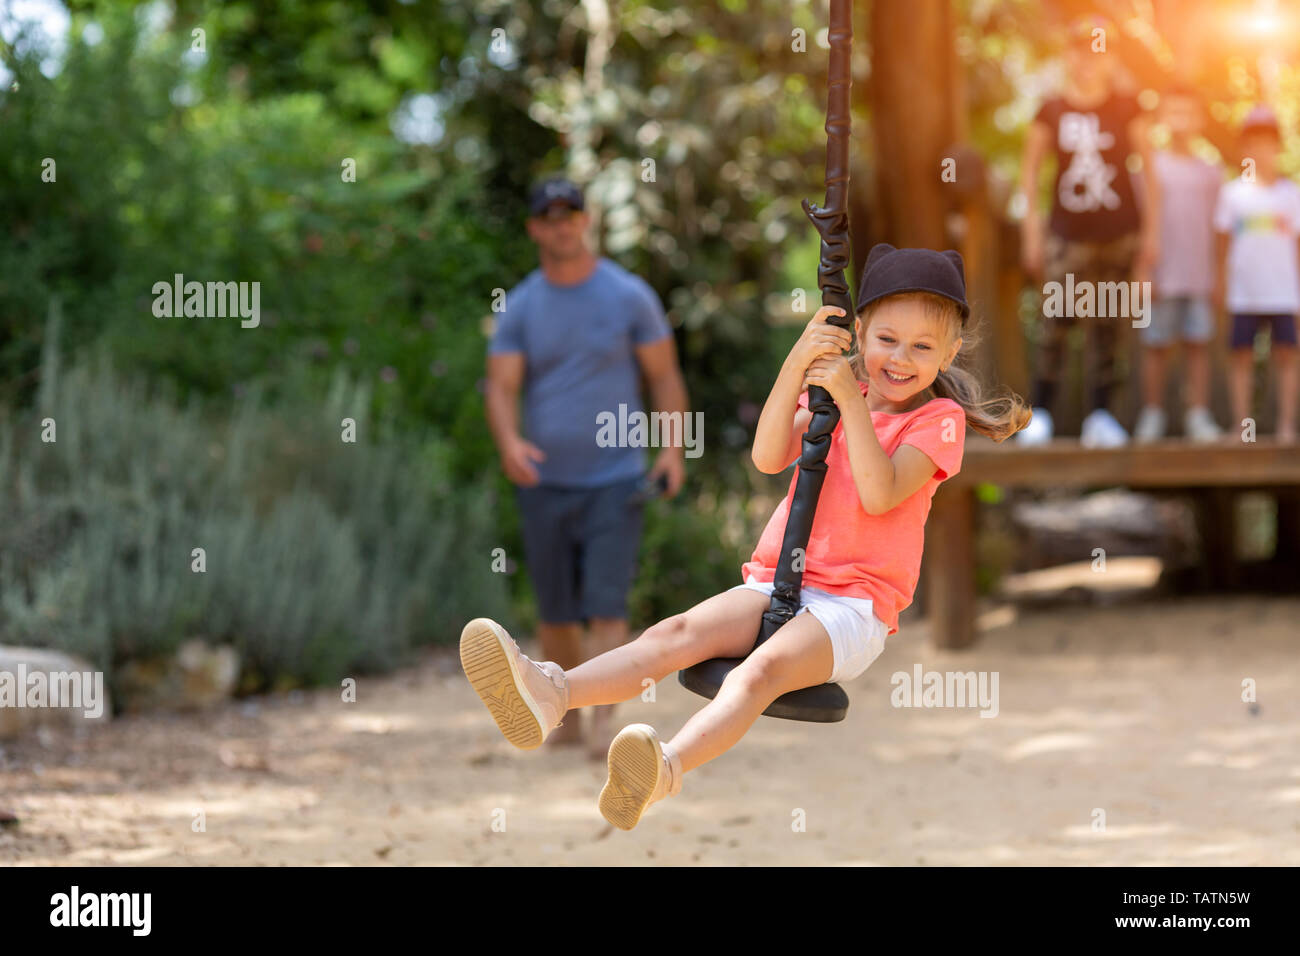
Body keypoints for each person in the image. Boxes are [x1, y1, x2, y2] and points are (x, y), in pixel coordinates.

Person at [462, 245, 1031, 829]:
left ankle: (665, 767)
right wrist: (800, 361)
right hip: (777, 582)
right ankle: (552, 692)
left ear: (951, 352)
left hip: (851, 608)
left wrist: (848, 401)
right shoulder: (838, 399)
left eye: (923, 347)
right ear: (859, 331)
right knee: (674, 631)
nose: (900, 358)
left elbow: (879, 491)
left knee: (754, 675)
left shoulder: (937, 421)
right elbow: (767, 455)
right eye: (887, 339)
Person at [485, 176, 689, 760]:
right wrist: (509, 442)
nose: (561, 225)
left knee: (606, 605)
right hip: (545, 480)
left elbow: (665, 376)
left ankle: (604, 724)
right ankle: (563, 716)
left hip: (616, 479)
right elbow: (501, 386)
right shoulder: (521, 305)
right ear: (534, 229)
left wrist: (671, 449)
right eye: (549, 217)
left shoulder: (628, 296)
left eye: (570, 214)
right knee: (556, 610)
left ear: (586, 220)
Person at [1018, 15, 1160, 446]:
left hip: (1120, 233)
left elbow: (1149, 174)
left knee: (1110, 325)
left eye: (1097, 51)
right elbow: (1030, 175)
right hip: (1066, 233)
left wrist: (1151, 236)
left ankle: (1102, 415)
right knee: (1055, 321)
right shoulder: (1051, 108)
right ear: (1070, 56)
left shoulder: (1127, 107)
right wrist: (1032, 233)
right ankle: (1039, 411)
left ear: (1109, 57)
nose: (1088, 60)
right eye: (1080, 51)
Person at [1133, 84, 1224, 443]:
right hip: (1161, 275)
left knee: (1198, 345)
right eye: (1173, 112)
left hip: (1199, 275)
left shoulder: (1211, 171)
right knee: (1156, 345)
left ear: (1200, 118)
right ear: (1162, 119)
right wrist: (1143, 270)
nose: (1180, 120)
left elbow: (1220, 230)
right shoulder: (1149, 167)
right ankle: (1152, 415)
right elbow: (1140, 223)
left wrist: (1219, 274)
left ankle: (1198, 415)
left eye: (1188, 112)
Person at [1213, 106, 1300, 444]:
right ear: (1244, 149)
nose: (1261, 151)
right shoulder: (1233, 193)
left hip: (1283, 293)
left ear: (1278, 148)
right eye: (1254, 144)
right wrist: (1220, 284)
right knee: (1241, 358)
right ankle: (1242, 429)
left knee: (1286, 356)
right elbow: (1221, 245)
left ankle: (1286, 428)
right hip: (1243, 293)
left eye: (1268, 144)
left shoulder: (1291, 194)